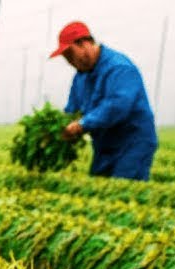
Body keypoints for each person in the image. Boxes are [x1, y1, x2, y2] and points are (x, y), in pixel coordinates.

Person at [50, 21, 158, 181]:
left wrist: (82, 125)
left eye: (69, 54)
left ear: (85, 44)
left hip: (133, 144)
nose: (69, 61)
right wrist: (60, 127)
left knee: (123, 193)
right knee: (98, 188)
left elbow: (118, 106)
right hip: (104, 146)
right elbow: (73, 109)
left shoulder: (119, 68)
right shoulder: (80, 77)